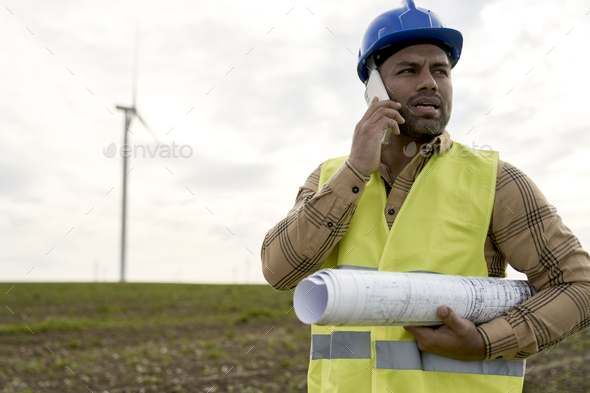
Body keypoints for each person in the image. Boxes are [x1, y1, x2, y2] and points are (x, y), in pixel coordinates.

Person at [260, 1, 590, 392]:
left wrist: (486, 342)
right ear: (373, 89)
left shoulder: (496, 180)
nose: (431, 83)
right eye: (409, 70)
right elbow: (279, 271)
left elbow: (577, 285)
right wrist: (354, 173)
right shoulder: (330, 178)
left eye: (440, 70)